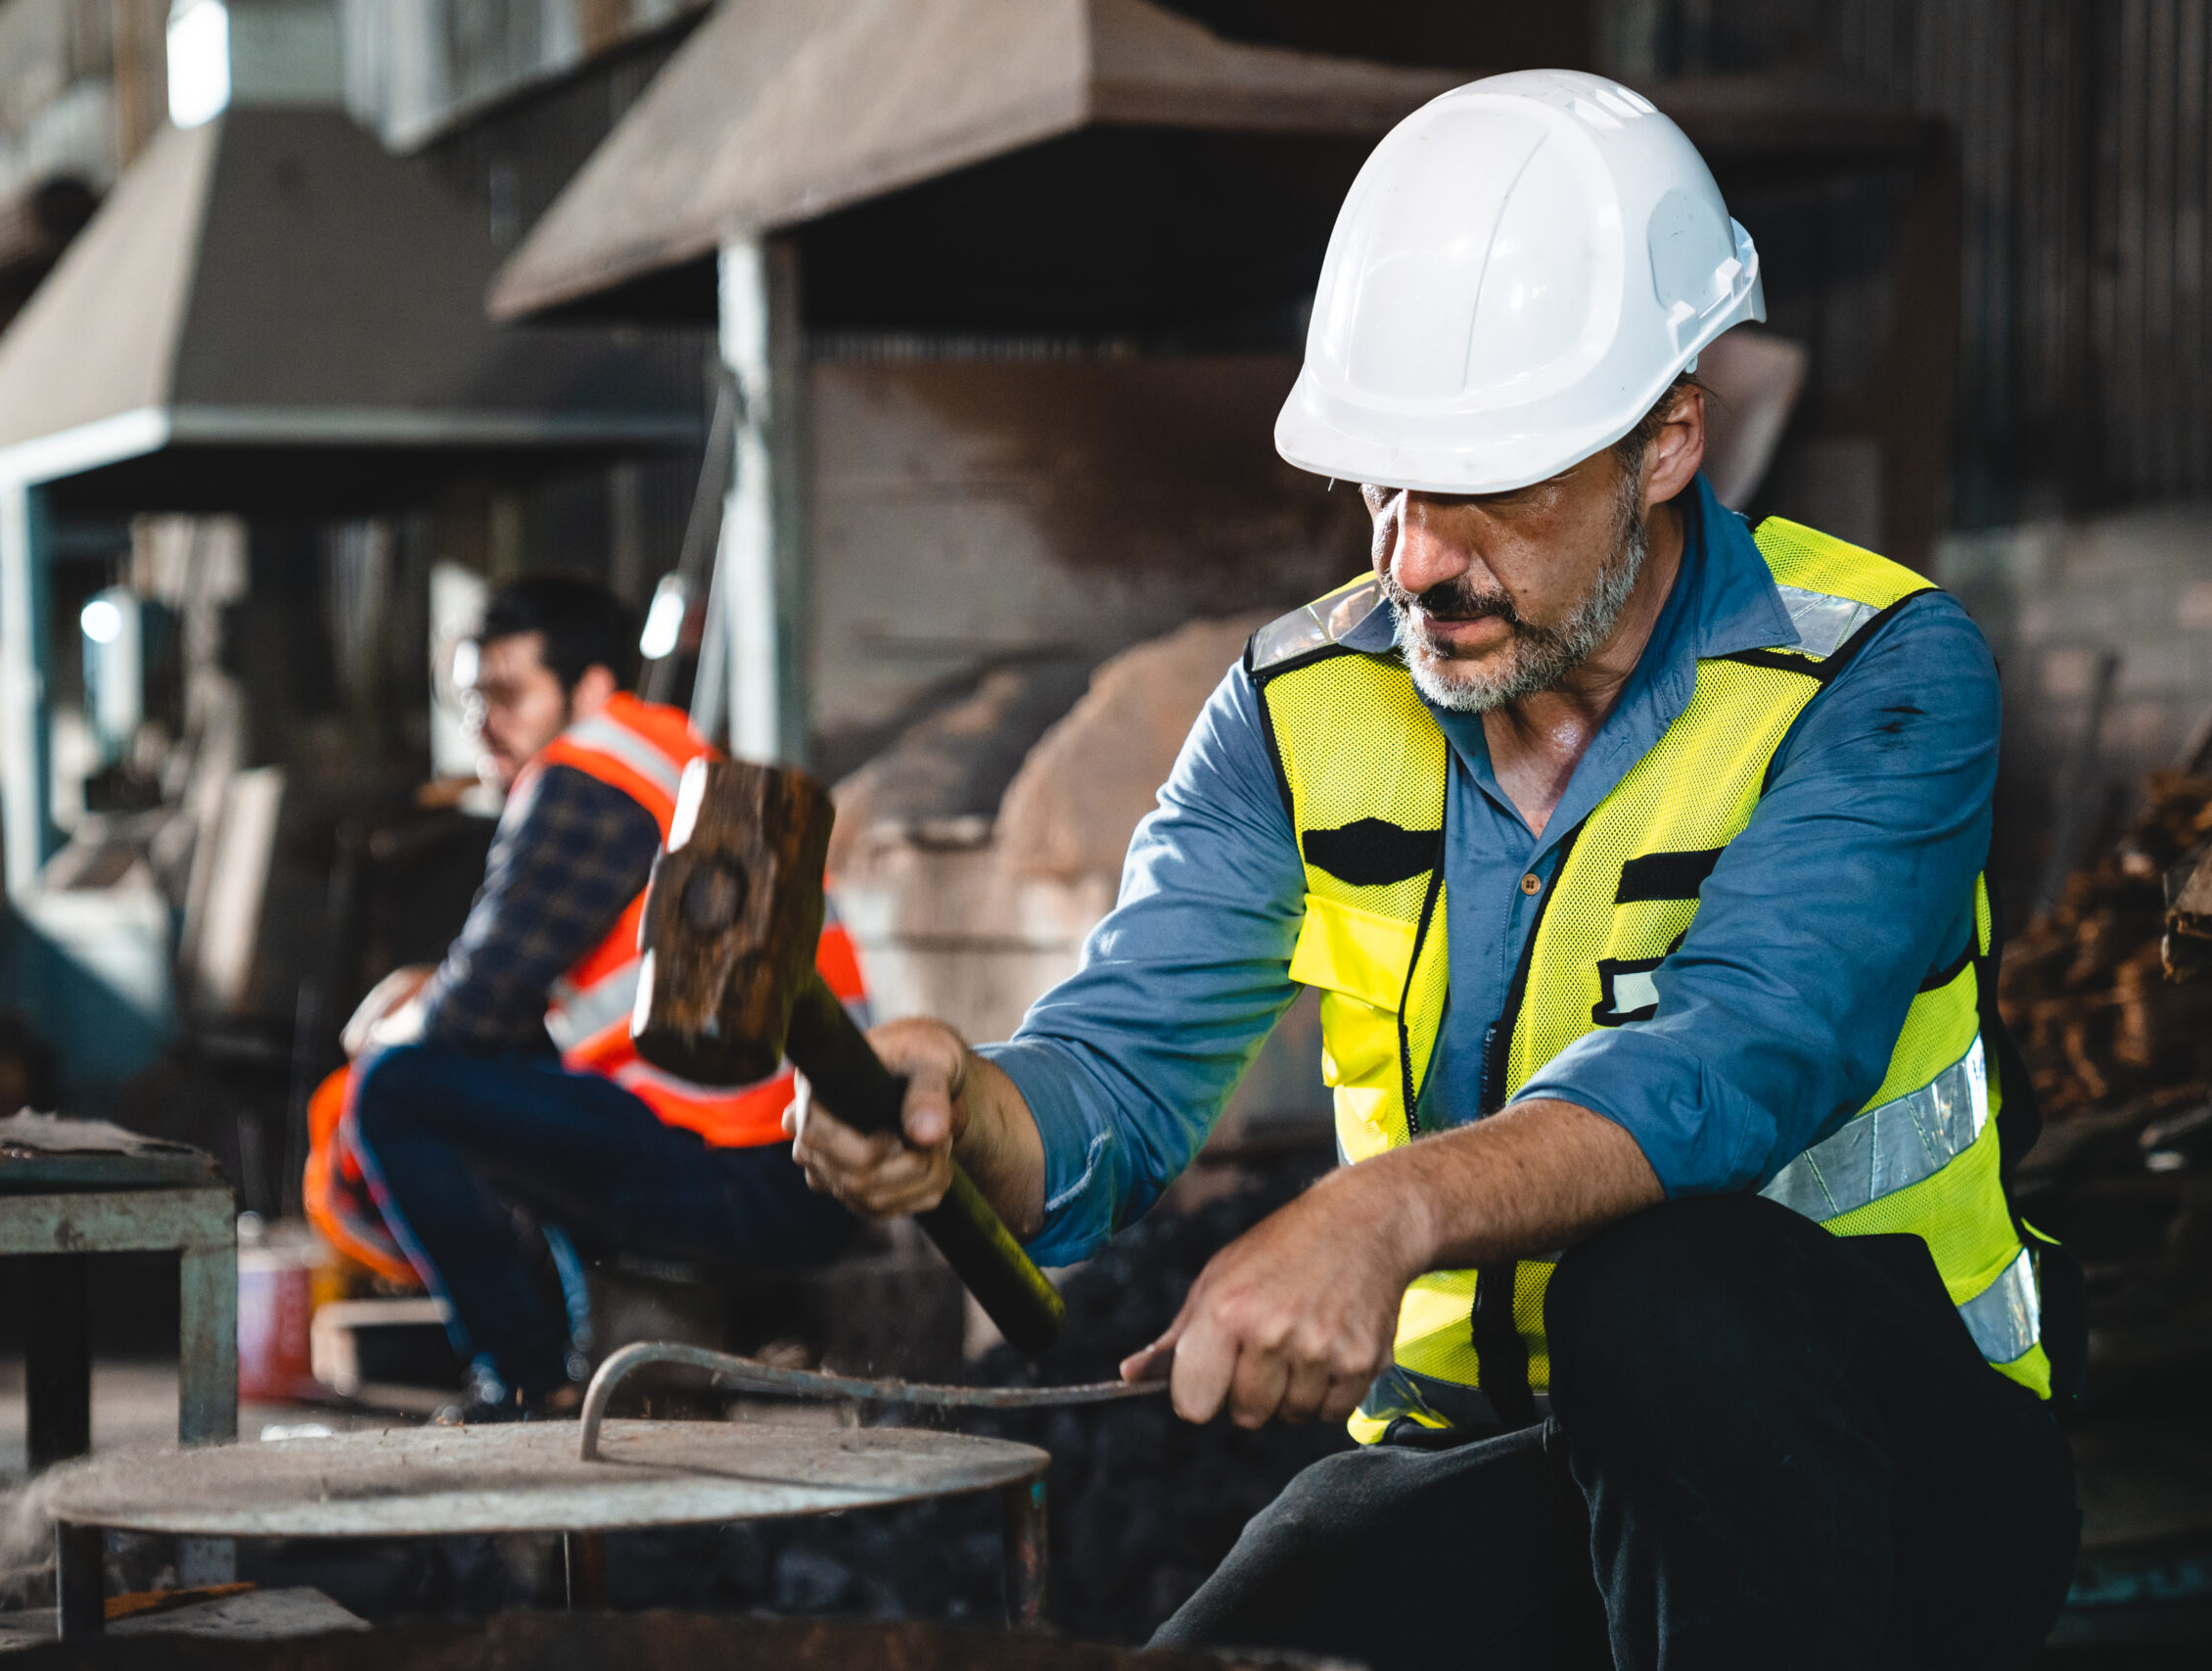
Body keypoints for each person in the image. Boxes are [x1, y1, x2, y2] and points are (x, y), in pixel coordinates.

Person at [789, 70, 2077, 1669]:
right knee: (1268, 1609)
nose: (1414, 557)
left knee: (1667, 1291)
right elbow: (1115, 1073)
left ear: (1671, 439)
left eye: (1494, 481)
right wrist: (957, 1112)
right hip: (1498, 1456)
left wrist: (1383, 1214)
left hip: (1892, 1475)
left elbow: (1749, 1051)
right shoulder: (1299, 702)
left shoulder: (1877, 673)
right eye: (1390, 478)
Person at [320, 572, 865, 1419]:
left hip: (748, 1171)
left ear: (591, 689)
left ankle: (525, 1383)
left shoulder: (584, 774)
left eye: (507, 694)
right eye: (470, 699)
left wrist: (389, 1026)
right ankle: (576, 1357)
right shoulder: (669, 756)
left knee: (396, 1092)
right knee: (518, 1078)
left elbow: (474, 1011)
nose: (483, 723)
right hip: (804, 1163)